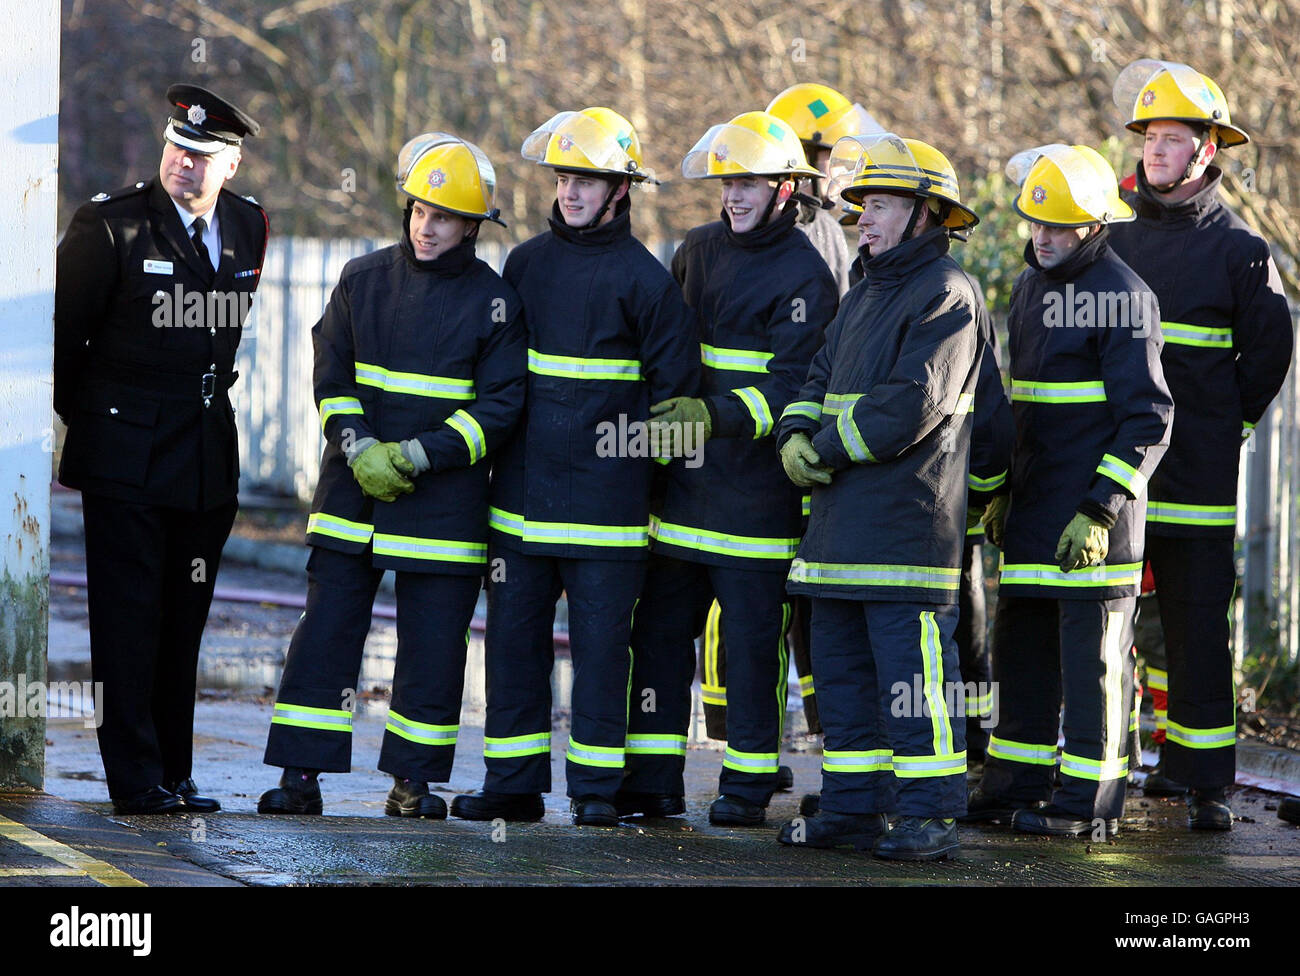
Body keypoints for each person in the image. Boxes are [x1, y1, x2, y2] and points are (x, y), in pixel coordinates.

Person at [256, 134, 525, 817]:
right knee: (325, 633)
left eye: (442, 216)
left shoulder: (496, 303)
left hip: (444, 505)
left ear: (471, 226)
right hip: (351, 494)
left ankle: (413, 783)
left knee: (434, 647)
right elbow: (332, 374)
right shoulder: (361, 279)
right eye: (417, 211)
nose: (425, 226)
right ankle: (300, 776)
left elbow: (499, 407)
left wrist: (416, 456)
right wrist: (358, 445)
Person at [449, 107, 700, 827]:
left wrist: (638, 481)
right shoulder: (524, 264)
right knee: (512, 648)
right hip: (521, 505)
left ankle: (595, 790)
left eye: (587, 179)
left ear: (621, 190)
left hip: (609, 513)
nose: (571, 191)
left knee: (601, 655)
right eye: (564, 176)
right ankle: (513, 786)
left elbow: (674, 400)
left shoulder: (647, 283)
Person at [774, 133, 1000, 860]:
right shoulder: (865, 289)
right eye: (863, 204)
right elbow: (817, 376)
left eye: (882, 204)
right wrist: (793, 434)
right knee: (841, 682)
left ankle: (932, 813)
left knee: (915, 685)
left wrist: (825, 449)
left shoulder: (948, 294)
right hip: (841, 532)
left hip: (906, 530)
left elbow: (911, 404)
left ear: (926, 214)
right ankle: (851, 808)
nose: (864, 218)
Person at [619, 111, 838, 826]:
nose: (733, 195)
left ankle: (745, 786)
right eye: (726, 182)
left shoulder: (806, 271)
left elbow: (795, 387)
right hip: (681, 491)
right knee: (656, 640)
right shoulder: (699, 250)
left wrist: (713, 416)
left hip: (756, 500)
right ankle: (652, 780)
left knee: (750, 649)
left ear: (783, 188)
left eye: (746, 182)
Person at [54, 84, 266, 815]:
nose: (184, 163)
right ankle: (135, 780)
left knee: (184, 622)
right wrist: (105, 423)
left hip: (206, 453)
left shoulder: (249, 226)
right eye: (178, 148)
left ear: (231, 164)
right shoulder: (111, 225)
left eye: (203, 155)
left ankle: (174, 772)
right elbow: (63, 343)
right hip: (127, 456)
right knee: (128, 623)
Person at [1107, 60, 1293, 829]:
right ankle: (1110, 766)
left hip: (1197, 473)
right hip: (1118, 470)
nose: (1156, 149)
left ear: (1207, 151)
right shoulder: (1109, 242)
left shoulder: (1242, 253)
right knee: (1113, 618)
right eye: (1150, 136)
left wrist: (1225, 428)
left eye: (1173, 137)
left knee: (1193, 620)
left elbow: (1269, 357)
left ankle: (1204, 780)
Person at [968, 143, 1173, 839]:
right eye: (1035, 225)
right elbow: (1025, 405)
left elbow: (1148, 419)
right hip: (1032, 511)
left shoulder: (1124, 296)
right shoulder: (1030, 288)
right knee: (1021, 659)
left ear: (1094, 226)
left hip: (1092, 521)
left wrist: (1099, 508)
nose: (1043, 238)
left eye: (1057, 228)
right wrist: (1001, 492)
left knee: (1093, 668)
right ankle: (1011, 789)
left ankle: (1090, 805)